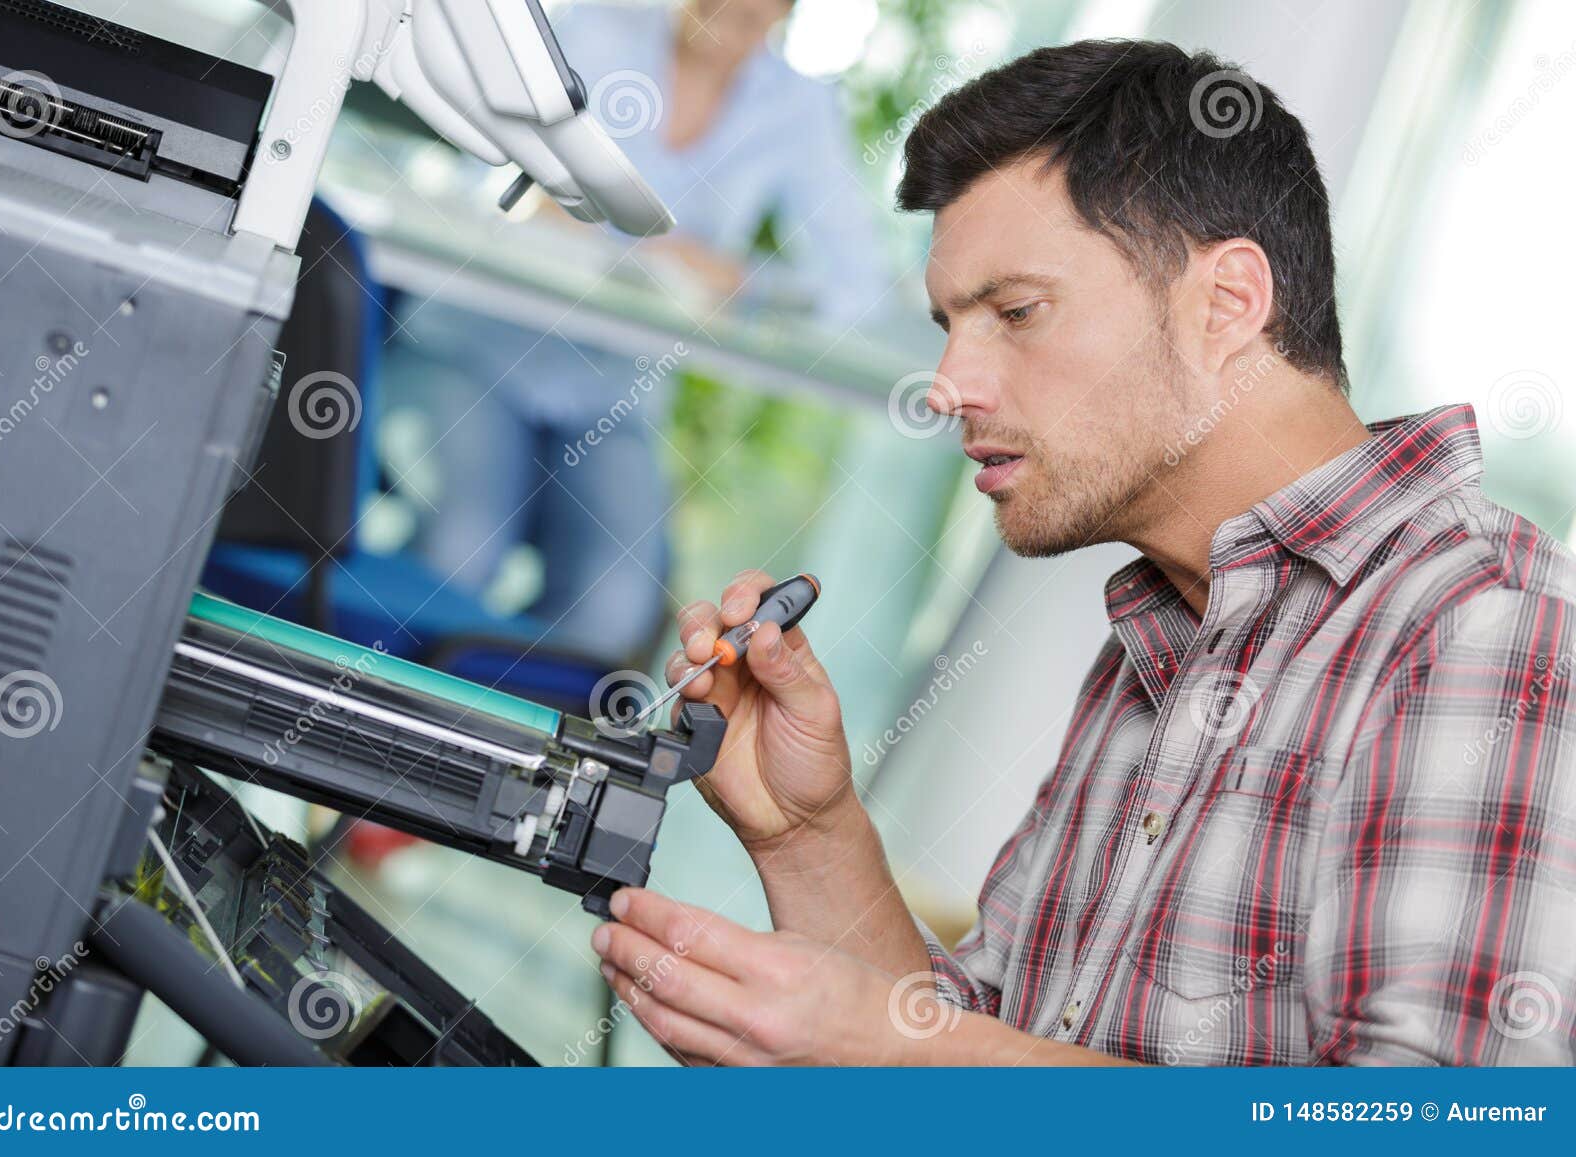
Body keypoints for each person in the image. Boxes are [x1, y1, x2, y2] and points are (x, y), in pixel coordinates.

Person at [585, 40, 1576, 1065]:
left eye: (1013, 313)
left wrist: (890, 1051)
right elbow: (991, 1054)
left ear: (1226, 303)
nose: (946, 384)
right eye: (948, 325)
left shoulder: (1487, 627)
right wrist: (807, 829)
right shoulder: (1163, 632)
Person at [384, 0, 886, 660]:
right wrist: (657, 252)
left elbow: (858, 285)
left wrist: (743, 282)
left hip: (609, 399)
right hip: (471, 353)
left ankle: (475, 731)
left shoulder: (798, 108)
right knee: (461, 547)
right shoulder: (591, 27)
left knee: (616, 602)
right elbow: (478, 178)